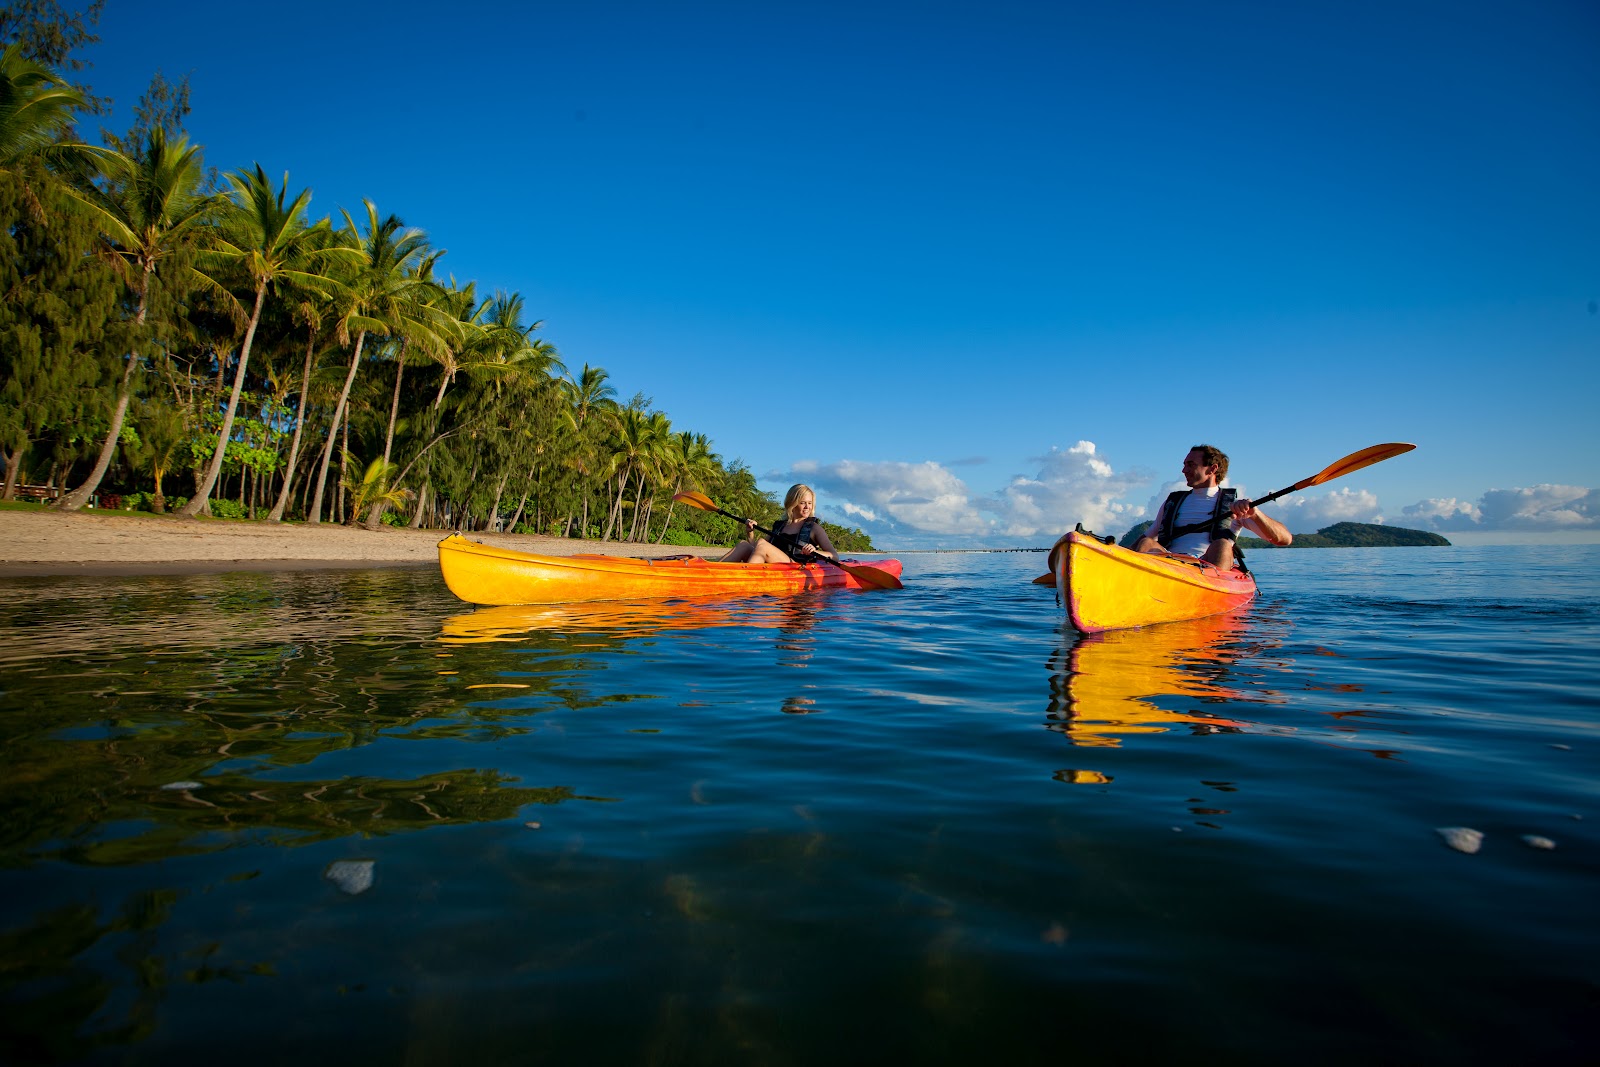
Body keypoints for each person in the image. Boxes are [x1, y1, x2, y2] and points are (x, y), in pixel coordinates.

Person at [1133, 444, 1292, 571]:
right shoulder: (1173, 502)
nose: (1184, 470)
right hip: (1171, 564)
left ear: (1212, 469)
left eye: (1191, 464)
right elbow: (1145, 539)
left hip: (1207, 568)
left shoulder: (1234, 507)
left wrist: (1256, 515)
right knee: (1146, 542)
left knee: (1222, 545)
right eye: (1184, 465)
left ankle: (1211, 594)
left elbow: (1284, 539)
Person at [719, 483, 844, 565]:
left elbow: (834, 556)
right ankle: (710, 571)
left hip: (794, 567)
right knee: (744, 545)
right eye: (803, 503)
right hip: (776, 565)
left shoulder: (814, 528)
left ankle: (746, 578)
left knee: (763, 544)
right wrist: (750, 532)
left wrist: (813, 551)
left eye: (810, 503)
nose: (807, 507)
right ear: (793, 504)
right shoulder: (780, 526)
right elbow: (755, 549)